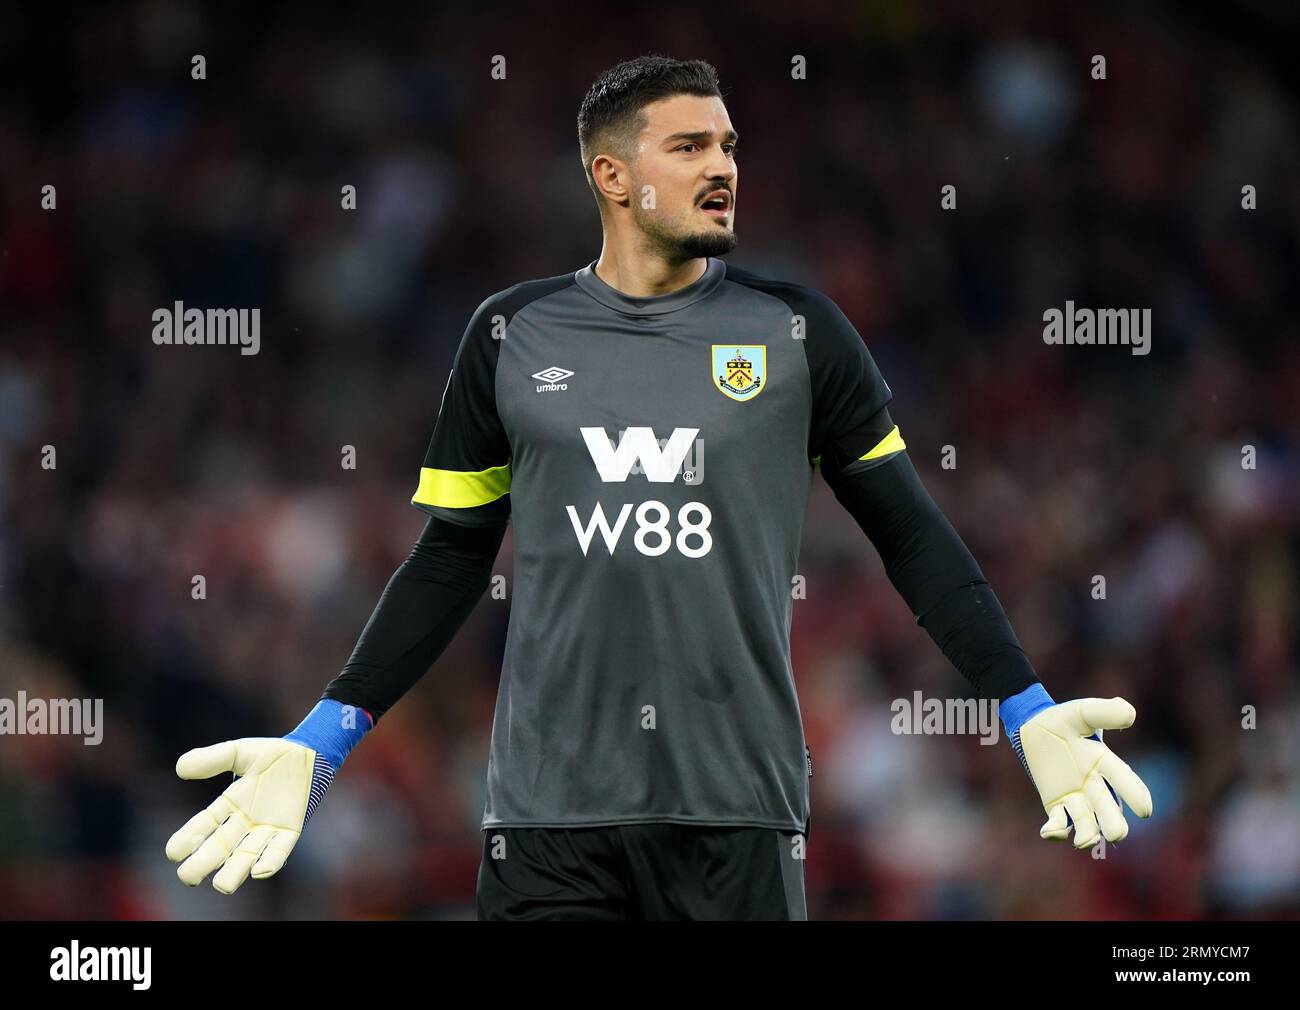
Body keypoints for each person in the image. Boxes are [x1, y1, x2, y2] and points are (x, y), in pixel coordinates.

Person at [165, 55, 1152, 921]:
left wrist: (1022, 703)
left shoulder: (799, 333)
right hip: (548, 821)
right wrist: (321, 736)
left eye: (726, 146)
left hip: (739, 816)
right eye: (688, 147)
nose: (722, 167)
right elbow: (452, 554)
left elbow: (908, 530)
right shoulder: (510, 333)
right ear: (612, 174)